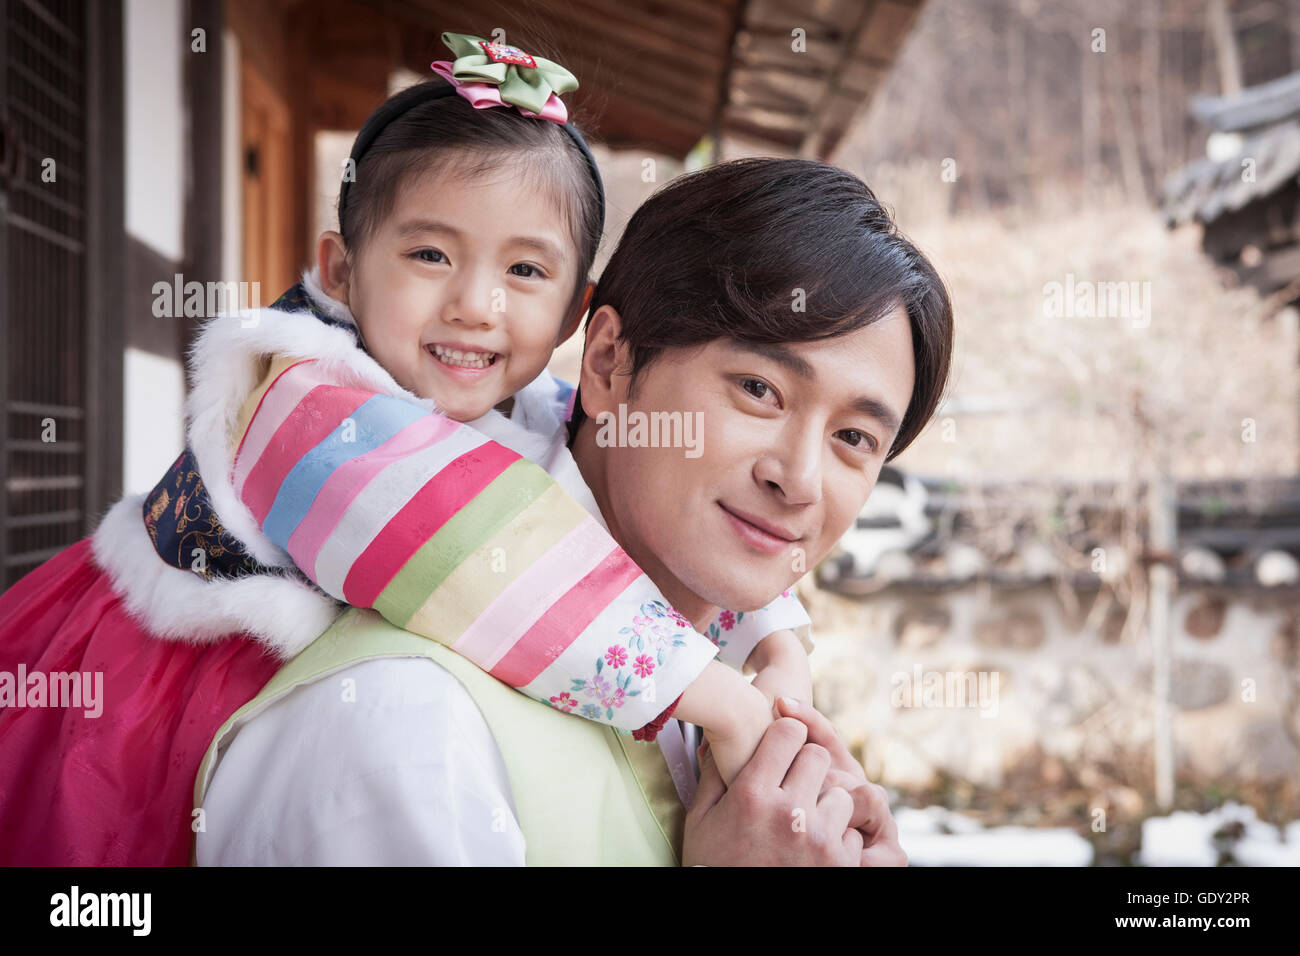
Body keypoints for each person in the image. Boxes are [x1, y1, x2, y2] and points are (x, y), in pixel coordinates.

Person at [0, 33, 810, 865]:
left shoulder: (532, 406)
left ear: (575, 314)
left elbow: (635, 490)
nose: (474, 304)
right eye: (429, 254)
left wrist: (774, 638)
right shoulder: (304, 402)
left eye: (527, 271)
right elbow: (474, 540)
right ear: (340, 272)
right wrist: (720, 698)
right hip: (155, 682)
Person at [195, 156, 953, 866]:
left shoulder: (742, 683)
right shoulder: (408, 724)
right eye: (759, 390)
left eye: (854, 437)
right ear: (607, 365)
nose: (800, 479)